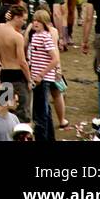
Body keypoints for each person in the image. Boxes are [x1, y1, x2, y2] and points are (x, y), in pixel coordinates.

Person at [26, 9, 60, 141]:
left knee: (40, 113)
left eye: (39, 21)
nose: (35, 23)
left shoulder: (45, 36)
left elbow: (55, 59)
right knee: (44, 109)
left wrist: (41, 75)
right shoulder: (35, 35)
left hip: (42, 79)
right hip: (37, 77)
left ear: (45, 23)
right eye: (34, 20)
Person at [0, 4, 33, 113]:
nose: (24, 23)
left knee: (4, 109)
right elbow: (22, 61)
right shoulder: (17, 37)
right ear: (17, 17)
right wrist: (29, 79)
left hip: (4, 73)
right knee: (23, 109)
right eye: (23, 19)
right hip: (17, 76)